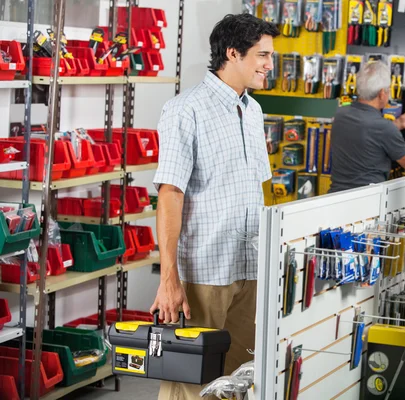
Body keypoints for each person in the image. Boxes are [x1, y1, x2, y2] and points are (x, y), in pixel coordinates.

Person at [150, 14, 279, 400]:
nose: (269, 65)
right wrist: (169, 278)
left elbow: (258, 189)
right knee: (190, 384)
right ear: (232, 53)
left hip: (249, 266)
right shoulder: (185, 110)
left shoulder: (253, 111)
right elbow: (170, 194)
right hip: (204, 271)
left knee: (240, 380)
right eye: (263, 55)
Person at [328, 60, 405, 193]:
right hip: (367, 201)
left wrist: (400, 122)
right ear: (381, 94)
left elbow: (368, 134)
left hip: (336, 197)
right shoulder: (383, 127)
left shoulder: (341, 114)